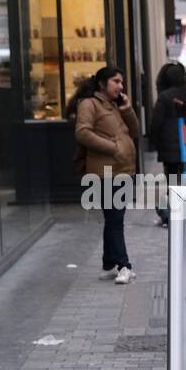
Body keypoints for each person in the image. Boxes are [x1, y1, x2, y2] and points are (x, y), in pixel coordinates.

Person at [72, 66, 140, 285]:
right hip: (106, 172)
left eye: (121, 82)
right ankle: (124, 266)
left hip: (124, 170)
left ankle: (109, 263)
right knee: (115, 220)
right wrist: (112, 147)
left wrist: (128, 109)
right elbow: (82, 132)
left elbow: (136, 131)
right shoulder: (89, 104)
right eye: (116, 81)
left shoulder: (115, 105)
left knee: (113, 219)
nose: (120, 86)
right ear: (102, 83)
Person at [147, 62, 186, 225]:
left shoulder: (164, 96)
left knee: (171, 179)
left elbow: (156, 122)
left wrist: (154, 141)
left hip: (168, 146)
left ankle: (173, 211)